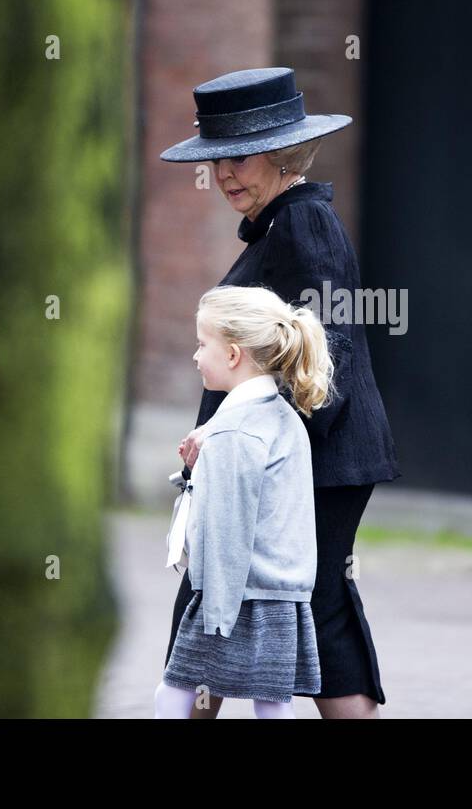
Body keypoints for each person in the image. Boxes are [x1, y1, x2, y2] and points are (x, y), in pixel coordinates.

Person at [159, 67, 400, 718]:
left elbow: (331, 351)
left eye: (239, 156)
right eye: (215, 160)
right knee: (308, 607)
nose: (225, 174)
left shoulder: (300, 224)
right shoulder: (281, 222)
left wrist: (251, 440)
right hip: (305, 461)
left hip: (312, 465)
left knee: (247, 599)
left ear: (282, 152)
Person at [154, 286, 329, 719]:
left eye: (201, 344)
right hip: (278, 595)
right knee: (272, 706)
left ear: (232, 355)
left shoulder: (236, 432)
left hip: (234, 596)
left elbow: (226, 528)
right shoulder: (279, 416)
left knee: (173, 697)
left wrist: (214, 604)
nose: (196, 356)